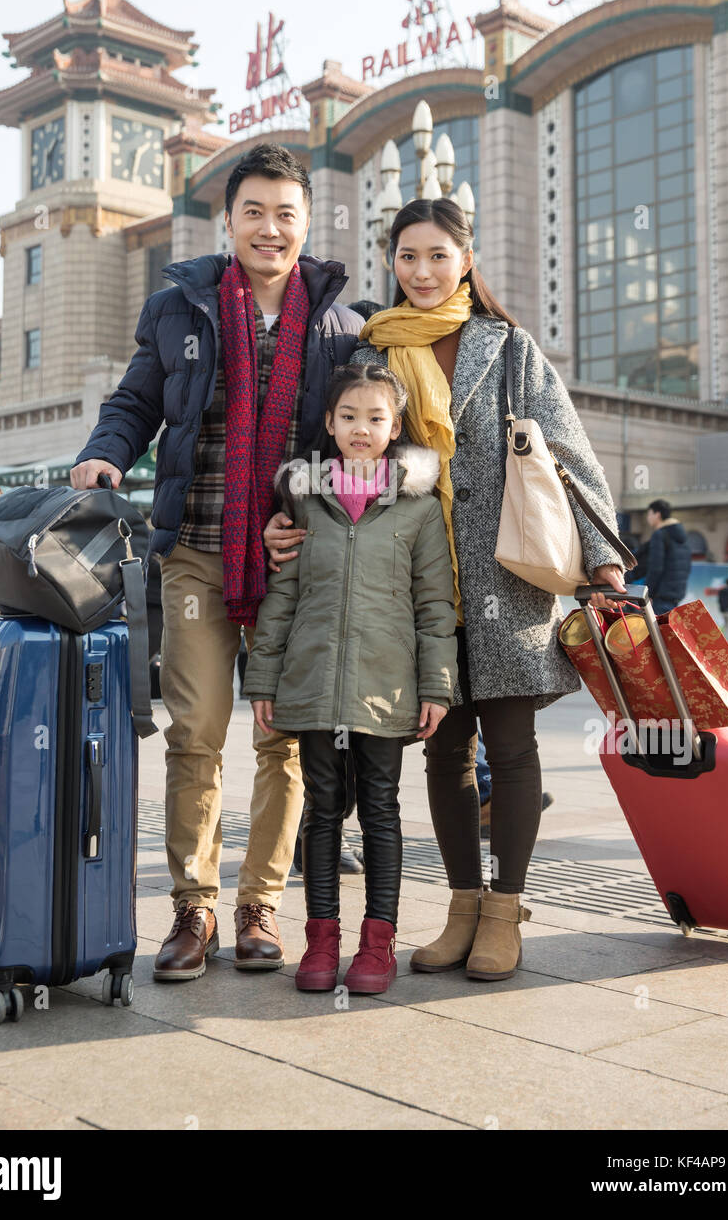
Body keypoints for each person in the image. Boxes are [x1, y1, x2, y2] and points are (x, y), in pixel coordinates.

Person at [266, 197, 627, 982]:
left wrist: (604, 566)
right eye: (406, 257)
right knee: (444, 750)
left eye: (437, 256)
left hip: (504, 573)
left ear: (465, 259)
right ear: (389, 264)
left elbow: (570, 451)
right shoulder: (371, 348)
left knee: (511, 744)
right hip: (406, 580)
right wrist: (283, 517)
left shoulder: (510, 347)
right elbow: (324, 444)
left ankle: (505, 911)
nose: (422, 272)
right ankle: (462, 907)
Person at [70, 142, 363, 981]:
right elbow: (134, 401)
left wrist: (301, 509)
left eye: (286, 214)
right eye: (254, 212)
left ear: (307, 223)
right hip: (195, 555)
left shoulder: (343, 326)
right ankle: (194, 908)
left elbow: (358, 446)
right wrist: (105, 455)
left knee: (287, 741)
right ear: (228, 221)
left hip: (296, 562)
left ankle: (259, 905)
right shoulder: (180, 307)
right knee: (195, 735)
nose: (271, 229)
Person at [244, 363, 457, 993]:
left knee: (383, 811)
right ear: (330, 424)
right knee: (322, 812)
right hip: (312, 687)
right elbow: (281, 598)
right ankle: (320, 941)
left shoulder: (417, 508)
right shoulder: (305, 499)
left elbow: (435, 604)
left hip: (386, 688)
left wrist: (436, 685)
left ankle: (377, 944)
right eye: (348, 417)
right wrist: (263, 679)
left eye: (375, 417)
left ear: (395, 427)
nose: (360, 429)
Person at [626, 499, 690, 615]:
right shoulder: (681, 536)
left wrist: (648, 594)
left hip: (661, 595)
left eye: (649, 514)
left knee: (655, 630)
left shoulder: (659, 534)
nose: (648, 517)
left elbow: (655, 567)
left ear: (657, 514)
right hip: (676, 594)